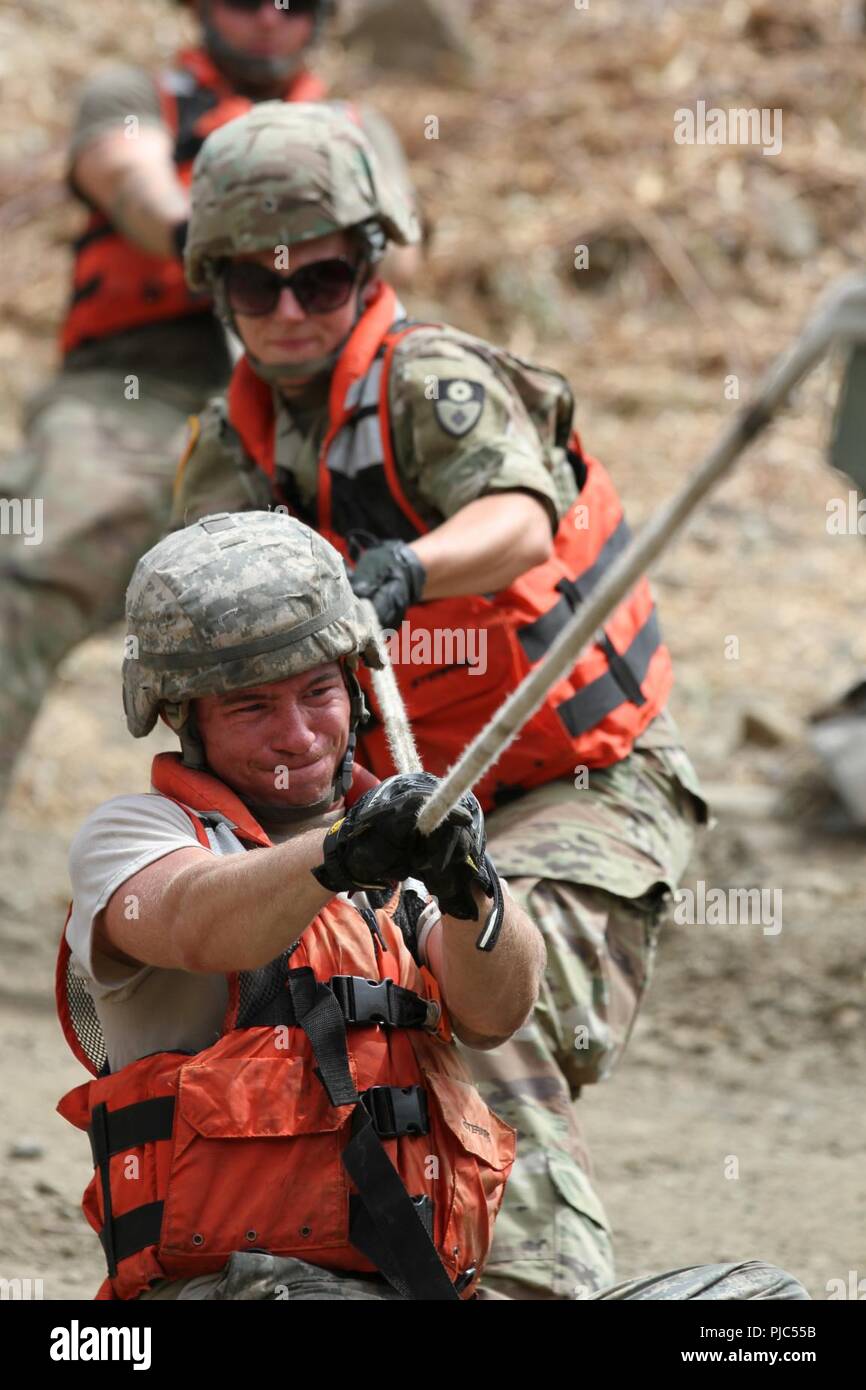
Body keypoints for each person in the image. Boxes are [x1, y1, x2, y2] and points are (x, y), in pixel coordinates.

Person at [170, 101, 710, 1299]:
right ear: (216, 293)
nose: (294, 311)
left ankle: (533, 1289)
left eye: (323, 275)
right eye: (259, 290)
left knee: (481, 1026)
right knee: (323, 1021)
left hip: (578, 788)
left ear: (371, 265)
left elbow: (516, 520)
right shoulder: (228, 449)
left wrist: (408, 567)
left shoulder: (434, 382)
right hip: (390, 801)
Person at [55, 510, 808, 1304]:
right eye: (252, 709)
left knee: (761, 1309)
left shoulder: (398, 847)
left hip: (422, 1291)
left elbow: (498, 1011)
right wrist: (342, 852)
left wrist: (468, 884)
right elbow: (197, 920)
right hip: (241, 1293)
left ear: (356, 689)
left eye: (319, 693)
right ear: (184, 717)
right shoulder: (137, 836)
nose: (298, 734)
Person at [0, 0, 417, 814]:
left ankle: (371, 854)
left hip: (300, 394)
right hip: (136, 392)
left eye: (293, 2)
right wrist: (258, 230)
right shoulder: (133, 94)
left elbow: (402, 248)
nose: (268, 16)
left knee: (365, 601)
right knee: (26, 569)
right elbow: (144, 197)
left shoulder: (355, 126)